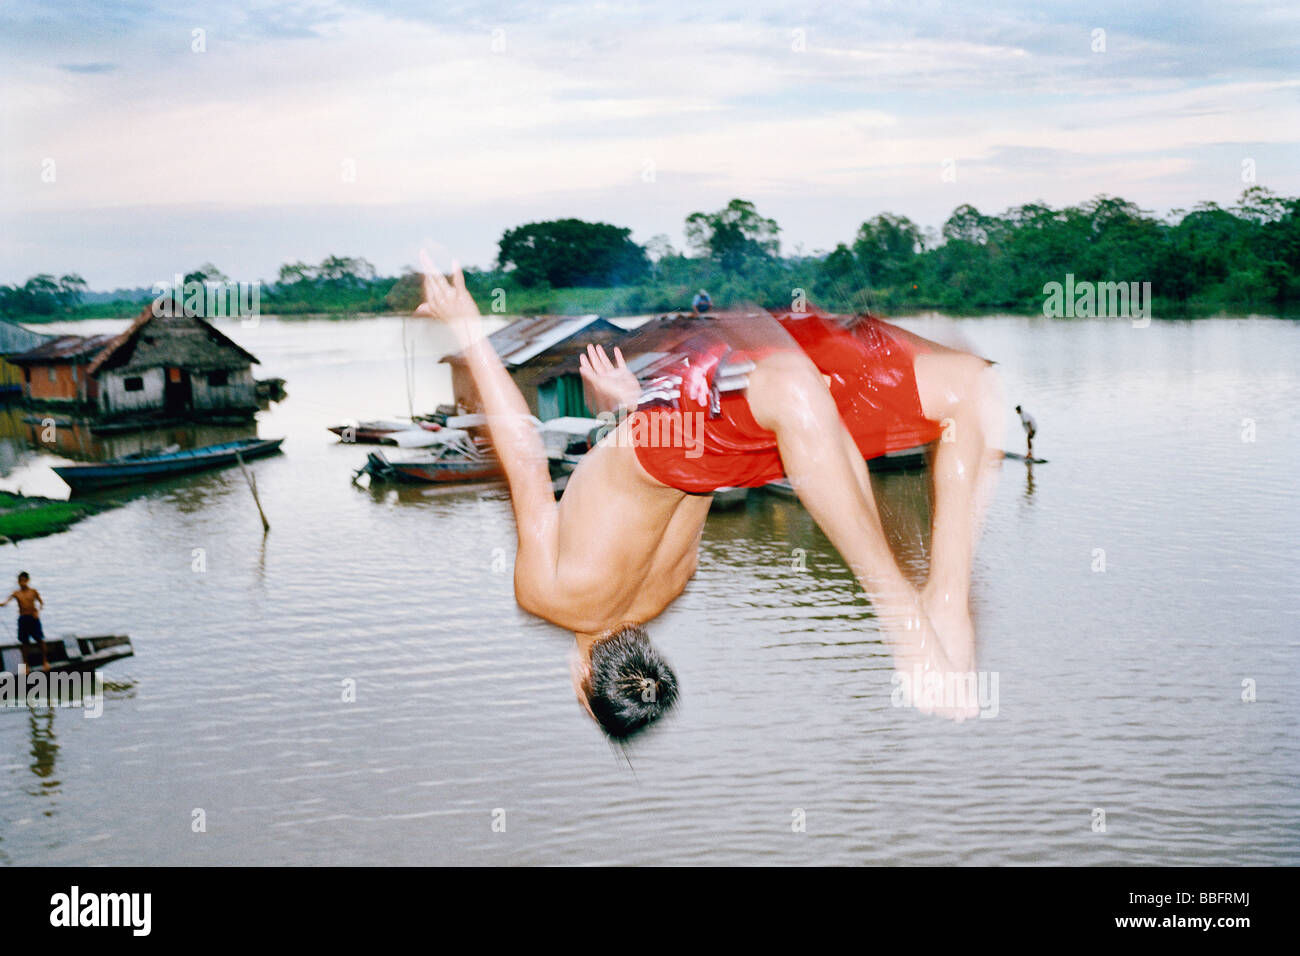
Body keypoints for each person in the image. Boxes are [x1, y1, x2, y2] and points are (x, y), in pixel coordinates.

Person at [418, 258, 1004, 735]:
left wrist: (632, 410)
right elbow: (524, 450)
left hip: (715, 456)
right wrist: (468, 328)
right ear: (580, 684)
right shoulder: (546, 594)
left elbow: (690, 481)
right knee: (947, 389)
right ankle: (910, 608)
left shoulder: (666, 592)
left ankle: (946, 598)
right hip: (681, 442)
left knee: (963, 391)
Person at [2, 571, 48, 672]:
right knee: (24, 643)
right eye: (20, 581)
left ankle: (45, 661)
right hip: (23, 619)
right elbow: (5, 602)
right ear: (18, 582)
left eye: (24, 580)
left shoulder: (33, 591)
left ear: (27, 580)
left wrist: (38, 612)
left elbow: (41, 603)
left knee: (40, 640)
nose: (22, 583)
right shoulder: (16, 593)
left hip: (34, 618)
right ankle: (25, 665)